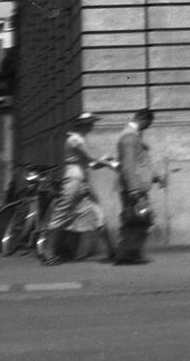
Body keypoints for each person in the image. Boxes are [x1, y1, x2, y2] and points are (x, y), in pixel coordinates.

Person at [42, 112, 114, 264]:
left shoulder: (79, 139)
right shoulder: (74, 139)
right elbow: (90, 159)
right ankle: (48, 252)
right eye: (90, 123)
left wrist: (104, 162)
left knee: (98, 214)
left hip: (82, 181)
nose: (92, 125)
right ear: (83, 124)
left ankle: (112, 251)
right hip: (74, 179)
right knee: (61, 214)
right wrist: (108, 163)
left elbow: (91, 164)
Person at [112, 108, 162, 265]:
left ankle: (128, 254)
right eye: (148, 123)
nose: (147, 127)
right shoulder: (129, 137)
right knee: (140, 219)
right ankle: (127, 254)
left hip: (135, 186)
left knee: (136, 219)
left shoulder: (131, 136)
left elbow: (139, 163)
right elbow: (129, 164)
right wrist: (133, 189)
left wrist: (155, 177)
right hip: (134, 187)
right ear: (142, 119)